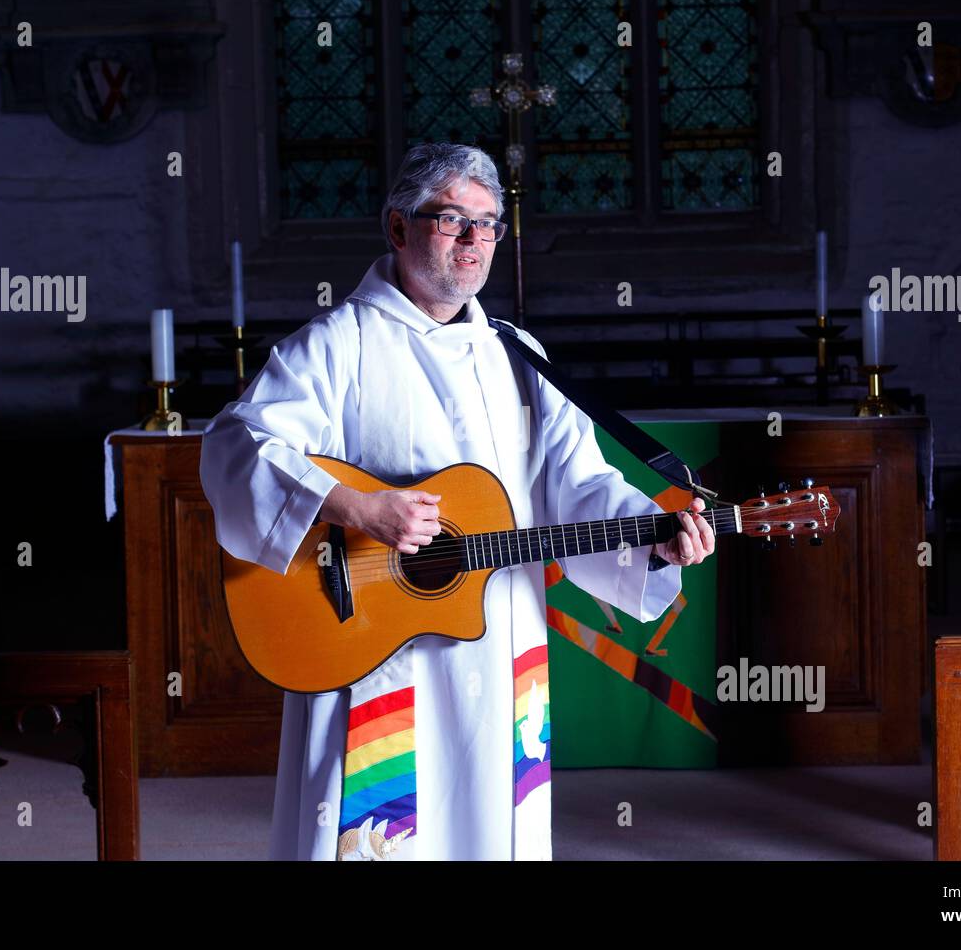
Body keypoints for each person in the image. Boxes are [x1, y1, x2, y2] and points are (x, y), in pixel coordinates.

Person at [199, 142, 715, 860]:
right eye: (451, 219)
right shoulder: (338, 343)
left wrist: (651, 534)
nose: (474, 240)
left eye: (489, 223)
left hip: (499, 638)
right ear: (398, 227)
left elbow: (578, 483)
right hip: (370, 639)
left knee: (492, 828)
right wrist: (351, 505)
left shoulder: (517, 355)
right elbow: (235, 446)